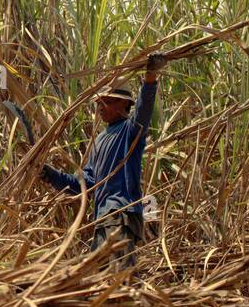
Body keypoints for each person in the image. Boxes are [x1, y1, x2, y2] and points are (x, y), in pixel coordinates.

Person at [39, 53, 168, 265]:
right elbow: (86, 185)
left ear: (123, 105)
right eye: (99, 102)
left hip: (120, 214)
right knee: (97, 279)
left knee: (120, 278)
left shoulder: (130, 131)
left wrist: (150, 77)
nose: (100, 107)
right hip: (103, 219)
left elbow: (144, 110)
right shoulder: (99, 140)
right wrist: (51, 175)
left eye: (106, 101)